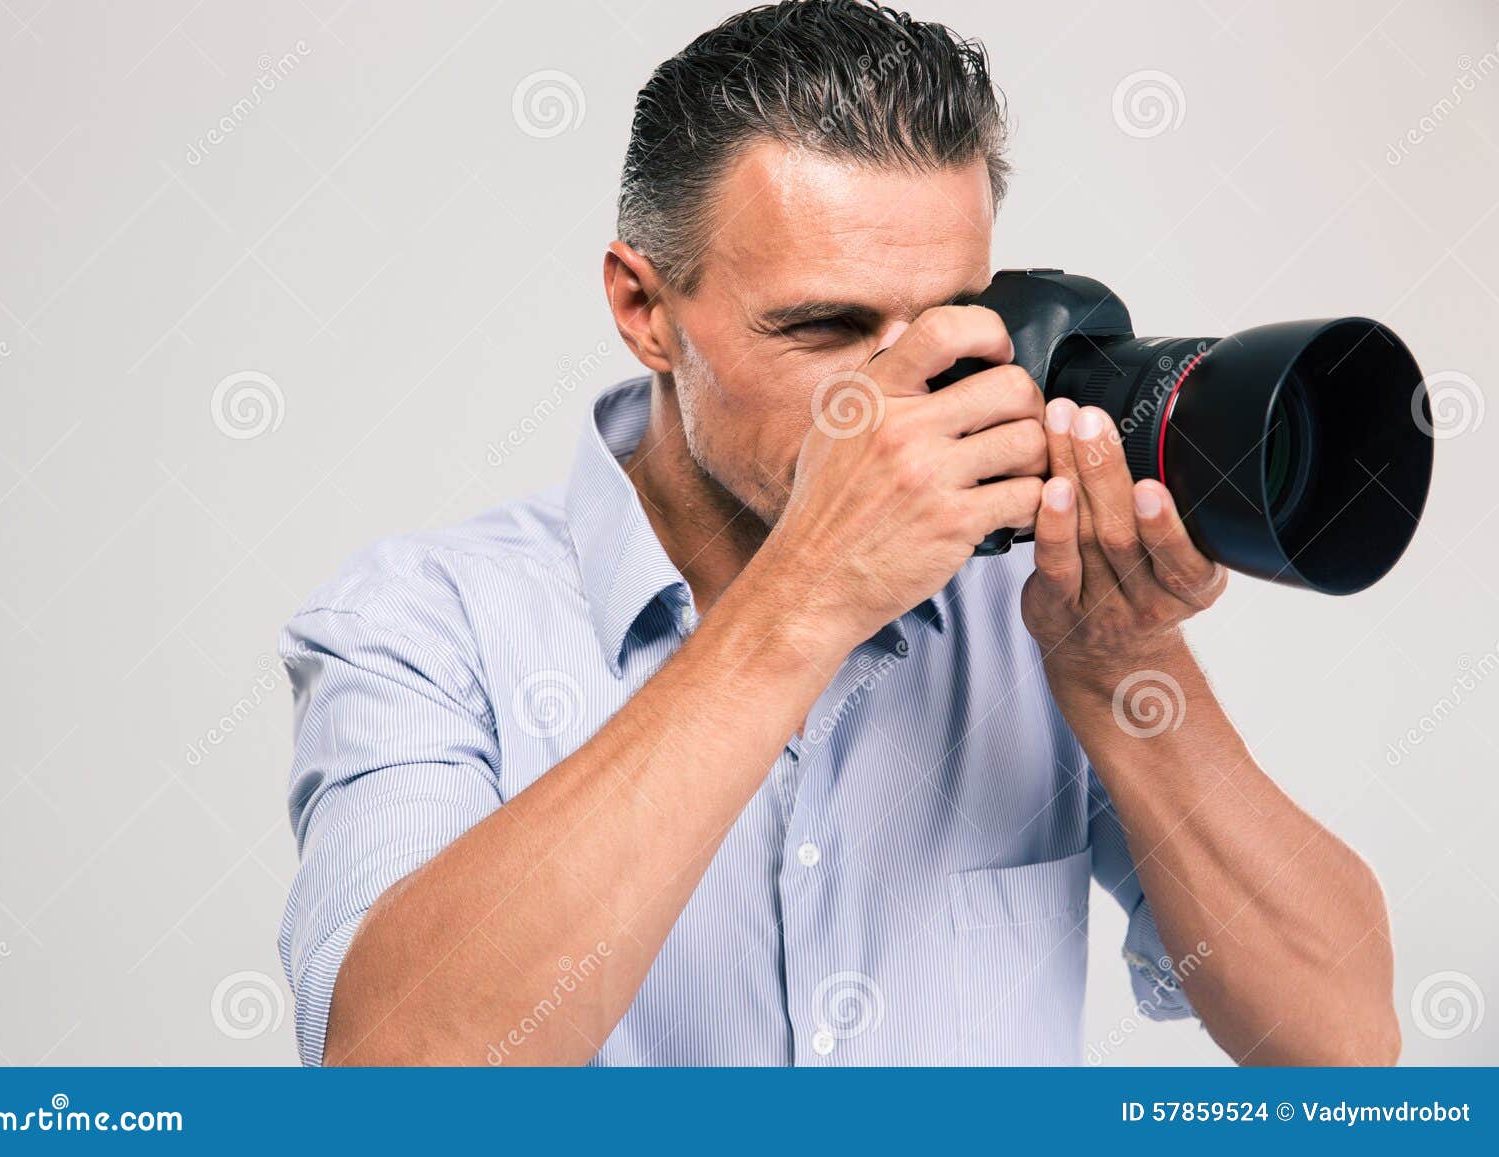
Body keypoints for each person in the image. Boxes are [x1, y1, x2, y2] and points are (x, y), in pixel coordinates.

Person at [277, 0, 1399, 1066]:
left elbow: (1343, 1045)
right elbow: (395, 1080)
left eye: (955, 317)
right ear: (645, 308)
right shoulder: (423, 622)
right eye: (825, 325)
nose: (899, 392)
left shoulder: (1030, 612)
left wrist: (1121, 666)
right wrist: (804, 595)